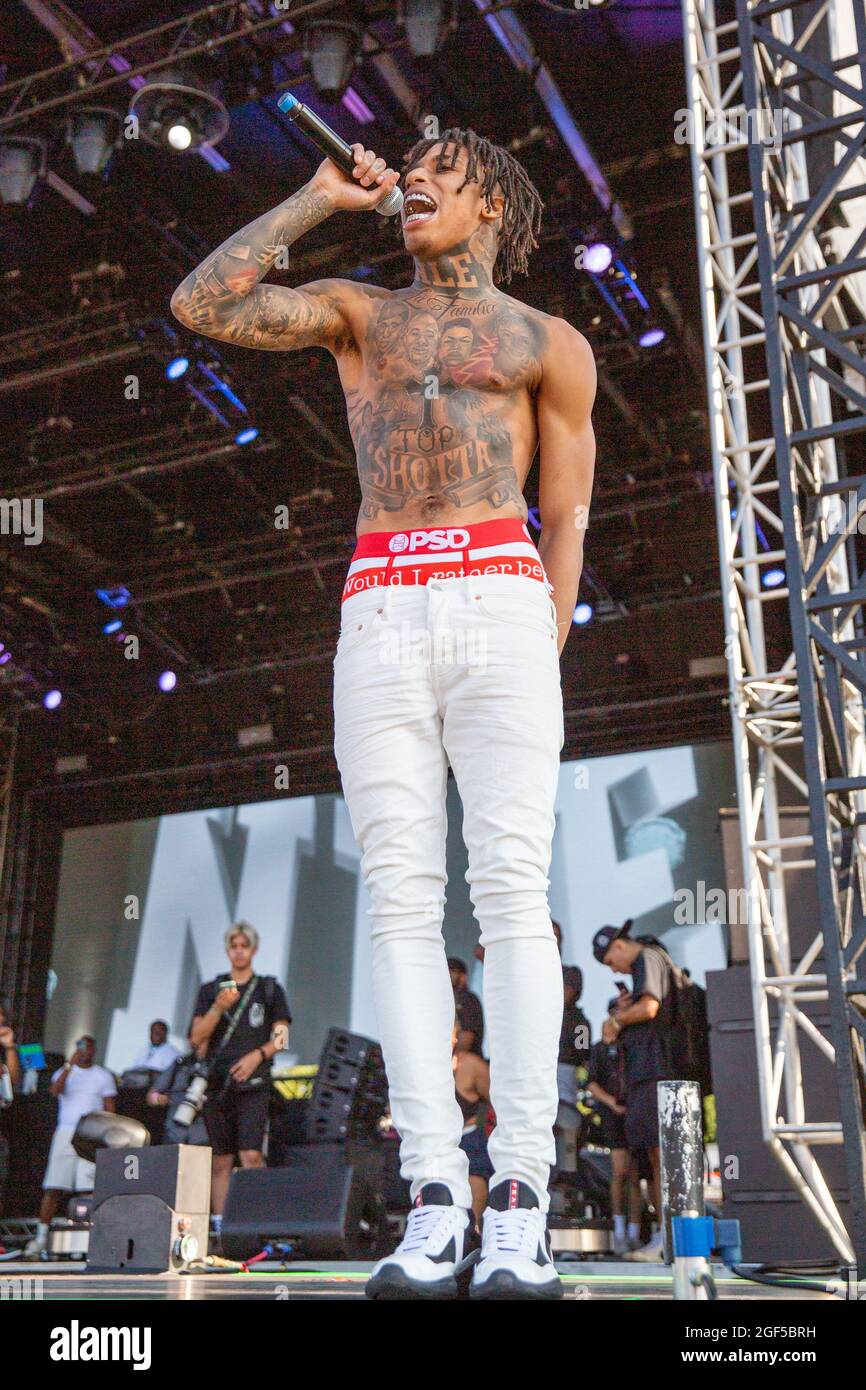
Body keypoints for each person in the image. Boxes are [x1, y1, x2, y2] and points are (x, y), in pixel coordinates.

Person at [172, 124, 596, 1301]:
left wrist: (544, 633)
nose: (415, 181)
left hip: (500, 590)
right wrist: (316, 197)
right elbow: (204, 302)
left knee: (512, 889)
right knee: (398, 900)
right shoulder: (359, 308)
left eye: (443, 170)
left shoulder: (550, 342)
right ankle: (430, 1198)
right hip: (381, 602)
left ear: (494, 205)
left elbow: (563, 512)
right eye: (407, 170)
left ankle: (516, 1195)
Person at [189, 923, 291, 1217]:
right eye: (234, 946)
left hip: (254, 1082)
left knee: (251, 1154)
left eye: (244, 946)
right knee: (221, 1160)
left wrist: (258, 1055)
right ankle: (221, 1227)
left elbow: (282, 1038)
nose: (239, 951)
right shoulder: (212, 990)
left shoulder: (268, 989)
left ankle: (255, 1221)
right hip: (217, 1083)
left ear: (254, 950)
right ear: (227, 950)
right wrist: (218, 1008)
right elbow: (196, 1037)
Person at [592, 921, 675, 1262]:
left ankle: (667, 1237)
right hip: (649, 1076)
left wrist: (617, 1021)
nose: (614, 968)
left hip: (658, 1074)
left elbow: (650, 1008)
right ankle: (663, 1235)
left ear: (621, 946)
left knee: (661, 1158)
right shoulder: (647, 963)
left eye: (611, 960)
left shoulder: (647, 959)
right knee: (655, 1158)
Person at [24, 1035, 117, 1259]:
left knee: (88, 1188)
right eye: (80, 1046)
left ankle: (84, 1240)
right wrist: (69, 1065)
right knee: (54, 1186)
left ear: (94, 1049)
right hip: (65, 1131)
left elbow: (110, 1110)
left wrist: (105, 1135)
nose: (84, 1050)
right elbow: (55, 1091)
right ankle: (41, 1238)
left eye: (87, 1046)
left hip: (90, 1133)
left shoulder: (103, 1076)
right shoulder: (64, 1072)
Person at [587, 1001, 642, 1255]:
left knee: (635, 1175)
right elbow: (592, 1083)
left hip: (634, 1112)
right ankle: (619, 1229)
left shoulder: (631, 1045)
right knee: (619, 1171)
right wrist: (612, 1104)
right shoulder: (599, 1049)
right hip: (612, 1114)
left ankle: (635, 1230)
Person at [551, 922, 590, 1183]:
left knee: (565, 1129)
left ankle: (566, 1180)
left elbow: (583, 1053)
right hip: (534, 1072)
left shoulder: (577, 1020)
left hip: (563, 1076)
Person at [452, 1018, 493, 1224]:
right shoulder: (425, 1063)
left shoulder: (471, 1064)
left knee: (475, 1175)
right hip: (436, 1138)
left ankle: (474, 1229)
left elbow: (497, 1098)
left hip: (467, 1135)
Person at [448, 957, 484, 1057]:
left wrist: (452, 1060)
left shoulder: (467, 999)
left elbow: (466, 1037)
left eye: (452, 971)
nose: (448, 975)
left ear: (463, 976)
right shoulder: (444, 1000)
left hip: (465, 1062)